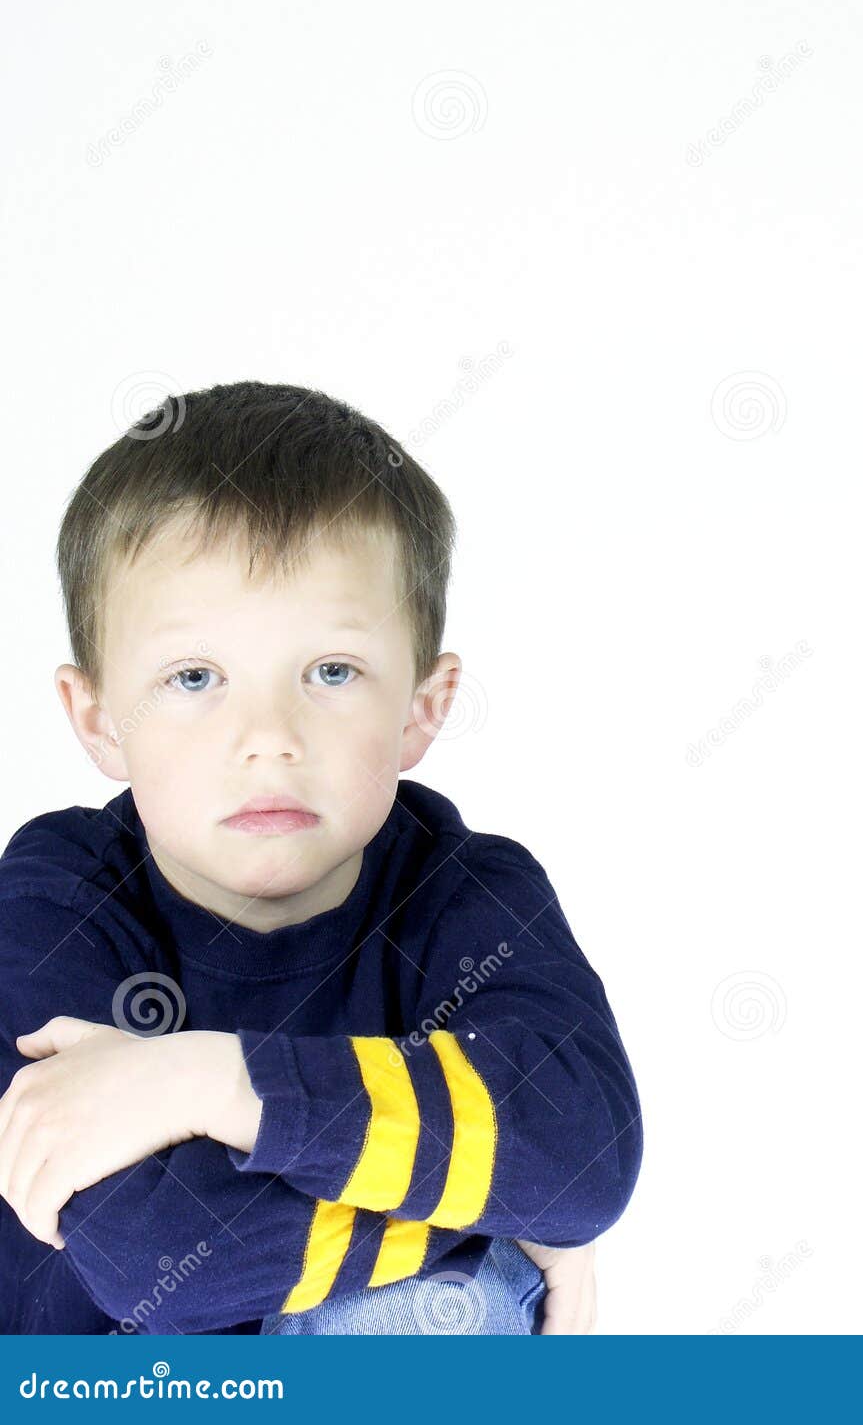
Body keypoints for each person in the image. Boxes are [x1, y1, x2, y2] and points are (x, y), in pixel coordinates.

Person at [0, 381, 641, 1335]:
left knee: (425, 1315)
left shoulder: (470, 892)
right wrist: (494, 1201)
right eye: (194, 678)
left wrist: (212, 1080)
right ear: (99, 721)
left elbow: (587, 1145)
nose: (267, 737)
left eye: (330, 673)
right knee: (451, 1289)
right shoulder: (58, 895)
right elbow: (160, 1261)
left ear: (422, 706)